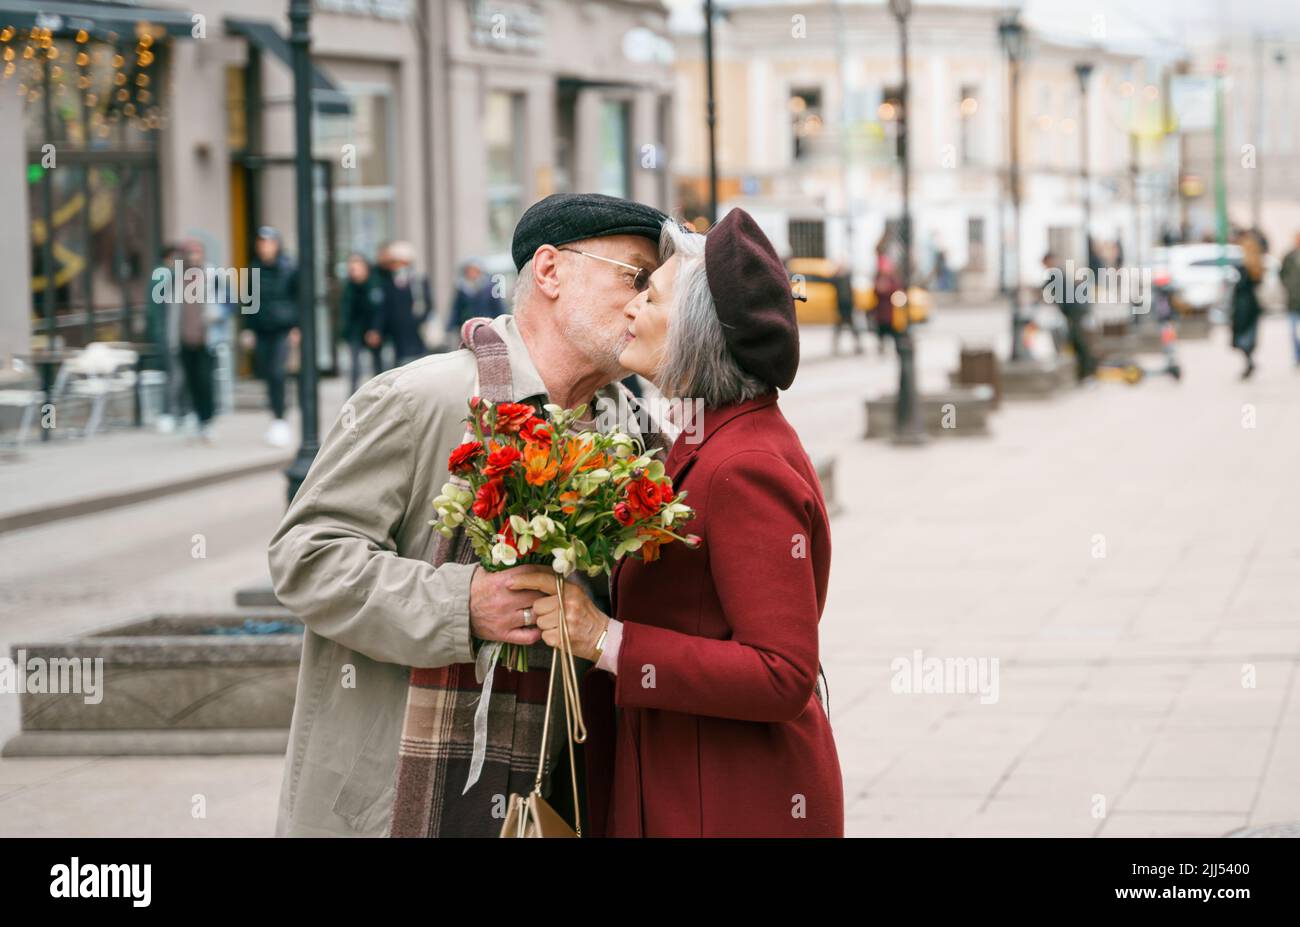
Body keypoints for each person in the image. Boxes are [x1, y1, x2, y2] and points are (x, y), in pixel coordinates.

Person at [266, 193, 666, 837]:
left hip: (556, 795)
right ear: (550, 271)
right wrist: (463, 604)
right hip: (392, 801)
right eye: (634, 275)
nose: (645, 301)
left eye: (656, 286)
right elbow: (305, 558)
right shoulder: (418, 399)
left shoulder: (636, 434)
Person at [513, 209, 844, 837]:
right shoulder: (704, 441)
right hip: (689, 779)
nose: (632, 307)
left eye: (651, 292)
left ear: (695, 330)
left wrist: (603, 639)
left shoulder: (742, 465)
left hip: (731, 799)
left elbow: (783, 673)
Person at [245, 226, 300, 447]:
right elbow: (249, 302)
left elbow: (299, 298)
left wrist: (298, 327)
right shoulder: (253, 269)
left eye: (269, 243)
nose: (265, 247)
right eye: (261, 243)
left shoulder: (289, 268)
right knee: (267, 373)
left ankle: (281, 419)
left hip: (283, 329)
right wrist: (248, 329)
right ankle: (276, 417)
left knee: (278, 372)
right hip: (262, 329)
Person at [174, 239, 231, 442]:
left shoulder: (213, 275)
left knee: (206, 381)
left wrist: (216, 312)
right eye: (190, 253)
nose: (193, 257)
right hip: (184, 339)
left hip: (207, 339)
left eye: (197, 252)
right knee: (191, 382)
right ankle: (198, 419)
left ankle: (208, 420)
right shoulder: (177, 277)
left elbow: (229, 302)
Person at [374, 240, 431, 367]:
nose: (394, 265)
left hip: (415, 330)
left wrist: (419, 320)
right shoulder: (387, 280)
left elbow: (427, 304)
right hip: (396, 333)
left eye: (396, 261)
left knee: (418, 363)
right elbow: (383, 308)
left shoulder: (418, 279)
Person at [1043, 251, 1096, 382]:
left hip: (1075, 310)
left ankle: (1087, 372)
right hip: (1075, 310)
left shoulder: (1055, 274)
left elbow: (1045, 291)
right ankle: (1083, 372)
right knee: (1075, 340)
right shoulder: (1058, 273)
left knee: (1079, 341)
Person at [340, 253, 385, 393]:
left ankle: (380, 393)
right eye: (352, 268)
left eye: (357, 267)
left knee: (377, 366)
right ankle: (353, 395)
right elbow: (346, 312)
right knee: (354, 367)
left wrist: (375, 330)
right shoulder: (349, 287)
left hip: (372, 329)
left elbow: (379, 310)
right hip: (355, 331)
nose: (354, 271)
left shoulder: (374, 284)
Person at [1231, 230, 1264, 380]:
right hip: (1252, 304)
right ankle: (1249, 362)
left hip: (1244, 304)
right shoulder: (1255, 267)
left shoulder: (1244, 269)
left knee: (1242, 336)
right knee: (1248, 336)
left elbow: (1241, 287)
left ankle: (1249, 363)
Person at [446, 258, 507, 340]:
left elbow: (498, 307)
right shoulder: (462, 289)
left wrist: (502, 323)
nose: (472, 273)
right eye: (469, 271)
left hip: (486, 326)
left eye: (475, 271)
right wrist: (450, 326)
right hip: (466, 325)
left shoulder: (490, 288)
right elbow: (456, 309)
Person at [872, 233, 901, 354]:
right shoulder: (880, 277)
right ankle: (882, 348)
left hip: (889, 312)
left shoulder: (891, 279)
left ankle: (892, 348)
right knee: (882, 332)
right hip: (882, 312)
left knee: (892, 332)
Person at [830, 259, 863, 356]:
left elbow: (851, 292)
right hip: (841, 306)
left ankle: (858, 346)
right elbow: (830, 280)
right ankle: (835, 346)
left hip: (848, 306)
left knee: (853, 327)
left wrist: (855, 304)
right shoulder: (837, 278)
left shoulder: (848, 277)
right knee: (839, 327)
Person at [1279, 231, 1300, 366]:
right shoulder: (1289, 257)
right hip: (1293, 301)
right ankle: (1297, 357)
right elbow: (1282, 274)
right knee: (1294, 332)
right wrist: (1289, 286)